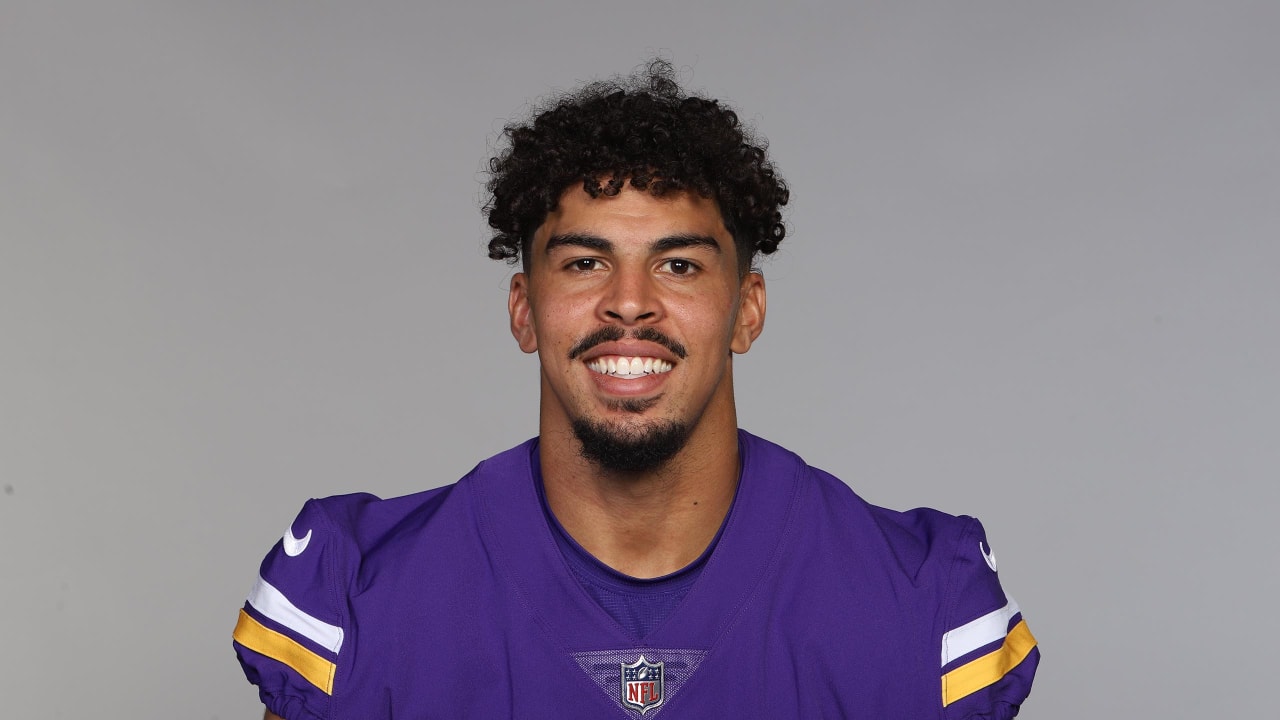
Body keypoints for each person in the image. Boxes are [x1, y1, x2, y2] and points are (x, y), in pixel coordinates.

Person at [232, 60, 1039, 719]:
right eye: (584, 262)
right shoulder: (362, 588)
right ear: (524, 311)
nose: (629, 300)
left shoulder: (917, 595)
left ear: (746, 312)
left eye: (679, 264)